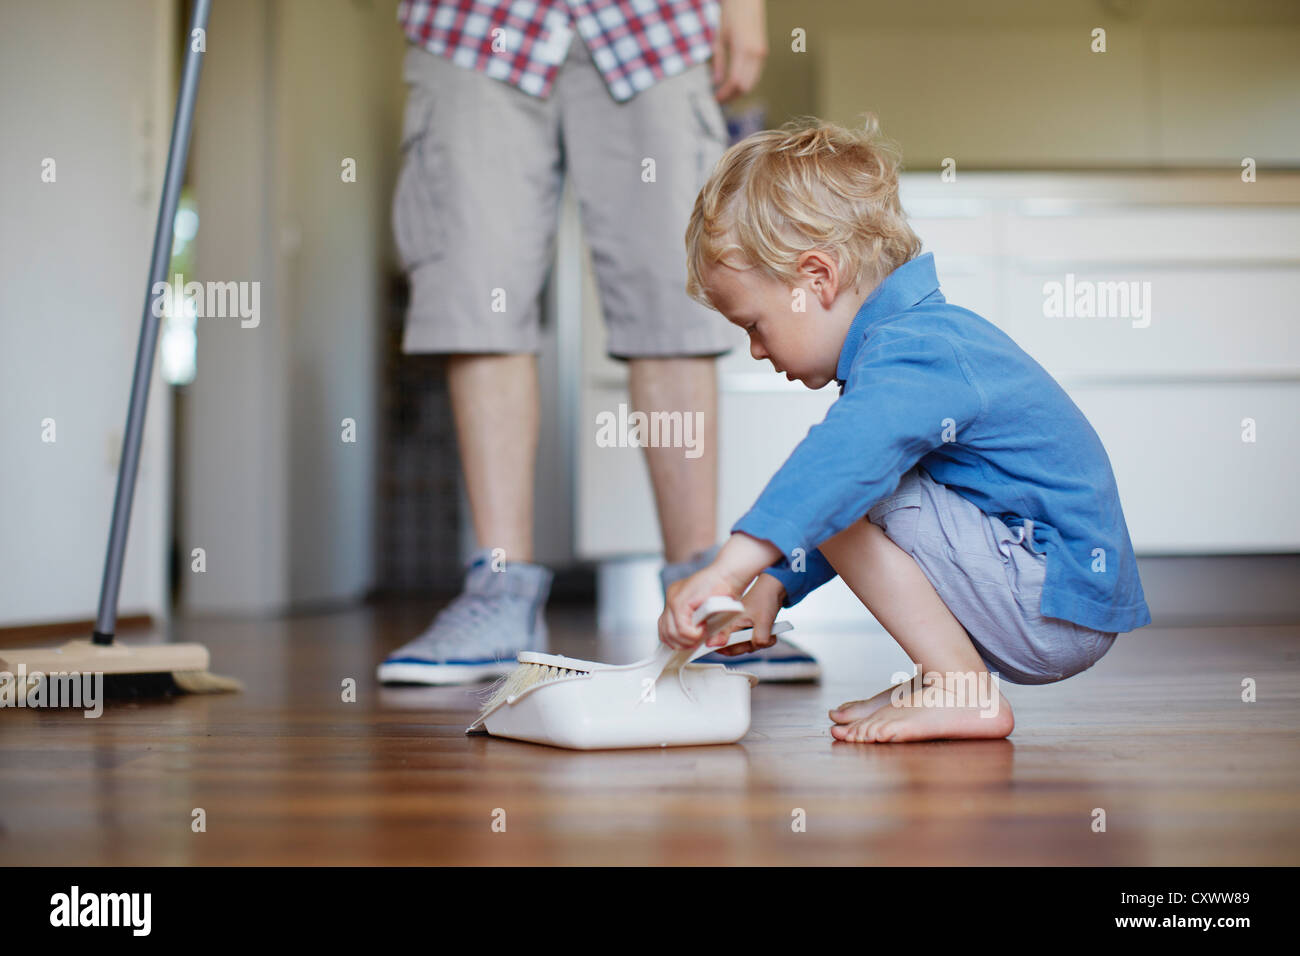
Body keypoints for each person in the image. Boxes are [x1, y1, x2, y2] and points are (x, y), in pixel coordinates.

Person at [660, 115, 1152, 743]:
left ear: (818, 279)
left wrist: (729, 569)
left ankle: (962, 688)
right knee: (858, 483)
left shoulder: (916, 347)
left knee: (846, 481)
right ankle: (948, 674)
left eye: (753, 324)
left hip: (1049, 600)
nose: (755, 349)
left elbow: (844, 474)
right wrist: (775, 585)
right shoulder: (920, 341)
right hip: (1051, 594)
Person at [378, 0, 821, 685]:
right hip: (469, 23)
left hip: (655, 22)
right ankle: (499, 598)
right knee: (479, 295)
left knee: (678, 296)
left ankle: (703, 594)